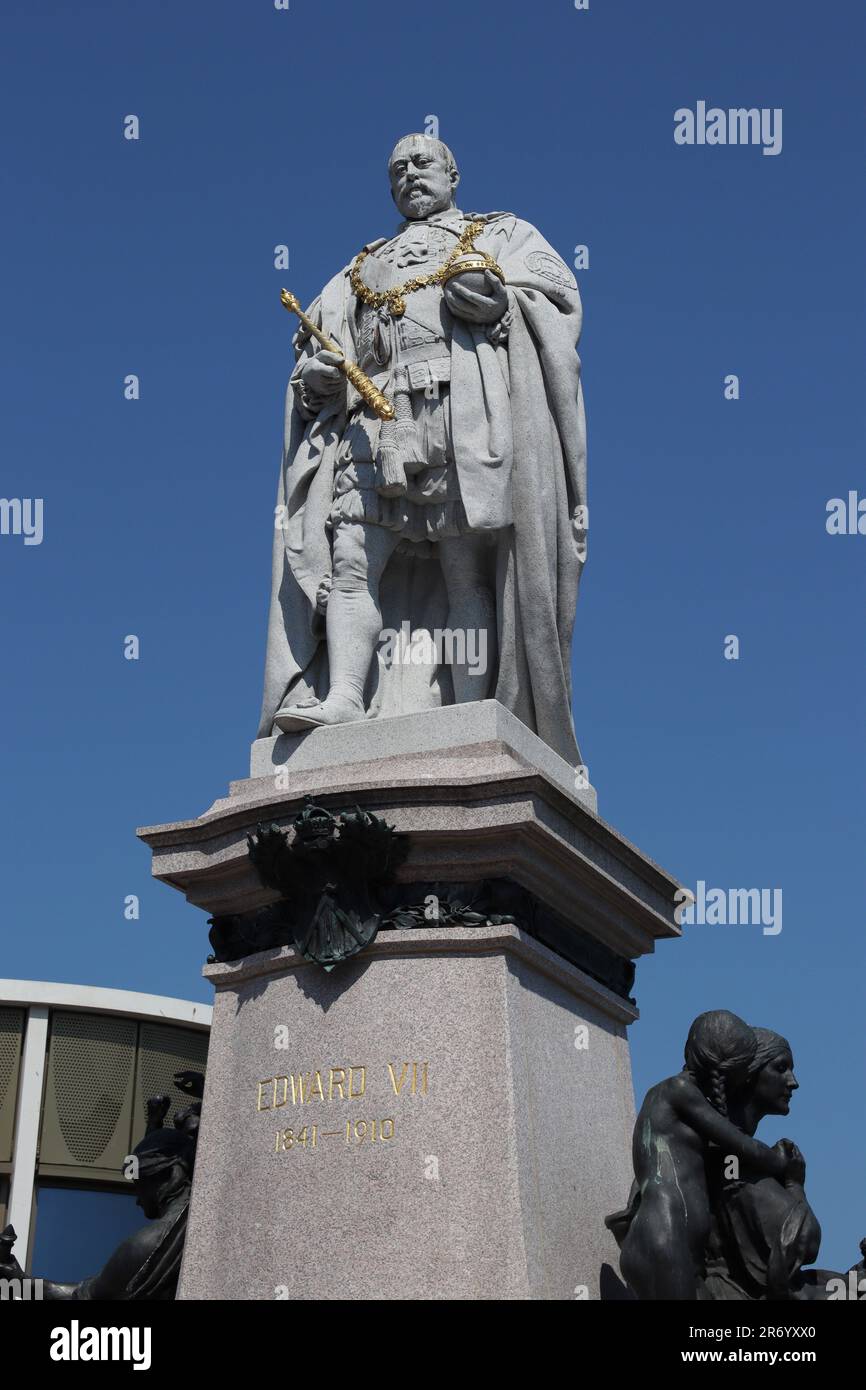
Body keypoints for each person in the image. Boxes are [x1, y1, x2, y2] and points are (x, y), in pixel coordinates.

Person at [259, 133, 588, 764]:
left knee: (463, 567)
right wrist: (316, 382)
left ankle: (472, 710)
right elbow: (314, 356)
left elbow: (555, 301)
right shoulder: (358, 267)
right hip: (371, 425)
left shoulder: (502, 235)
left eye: (423, 163)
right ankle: (346, 697)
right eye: (397, 169)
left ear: (454, 173)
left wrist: (500, 301)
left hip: (456, 412)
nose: (410, 175)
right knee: (352, 559)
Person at [606, 1011, 798, 1300]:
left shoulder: (681, 1098)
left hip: (676, 1247)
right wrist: (781, 1163)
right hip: (665, 1241)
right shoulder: (679, 1090)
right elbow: (742, 1145)